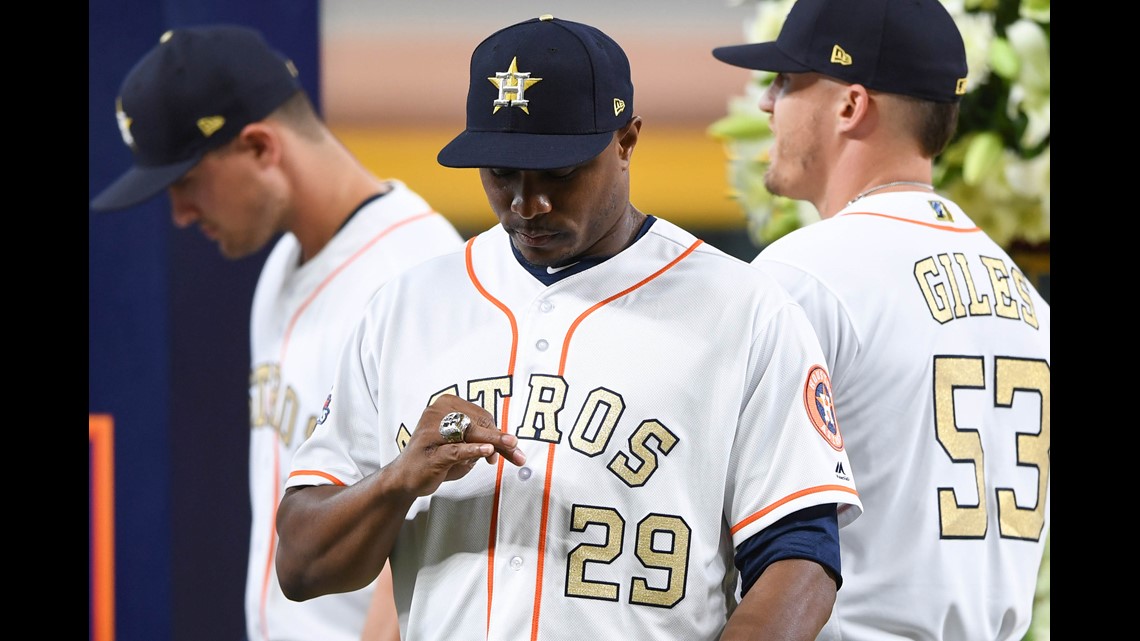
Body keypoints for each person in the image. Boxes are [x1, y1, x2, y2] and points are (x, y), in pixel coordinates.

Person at [274, 14, 863, 641]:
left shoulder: (744, 309)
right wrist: (398, 479)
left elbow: (801, 559)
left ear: (627, 140)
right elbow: (302, 565)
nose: (528, 204)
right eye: (502, 173)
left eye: (558, 171)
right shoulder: (403, 309)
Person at [90, 24, 465, 641]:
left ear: (261, 147)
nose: (181, 214)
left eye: (184, 182)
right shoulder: (278, 270)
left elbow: (438, 532)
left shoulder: (414, 271)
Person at [710, 1, 1051, 639]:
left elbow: (710, 514)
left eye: (786, 82)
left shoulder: (807, 273)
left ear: (850, 105)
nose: (766, 103)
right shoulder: (1027, 299)